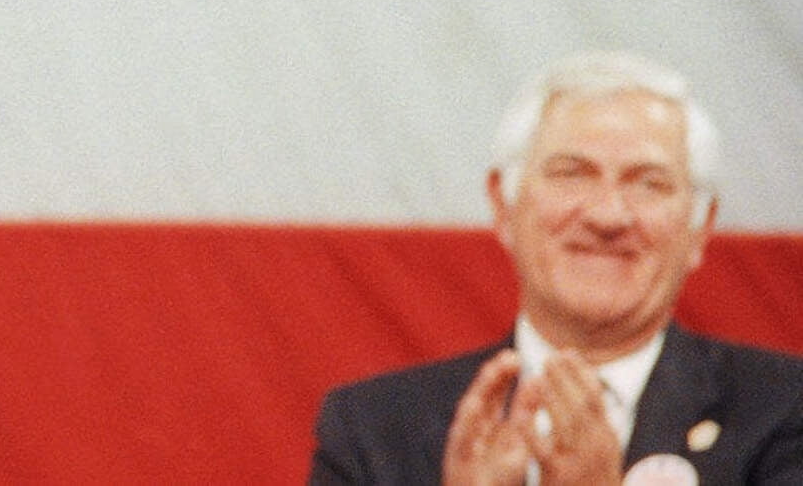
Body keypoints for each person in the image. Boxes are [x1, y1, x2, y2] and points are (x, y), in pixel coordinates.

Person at [309, 51, 803, 485]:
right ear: (504, 207)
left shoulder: (784, 413)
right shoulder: (376, 429)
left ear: (699, 228)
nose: (608, 215)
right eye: (571, 174)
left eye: (649, 183)